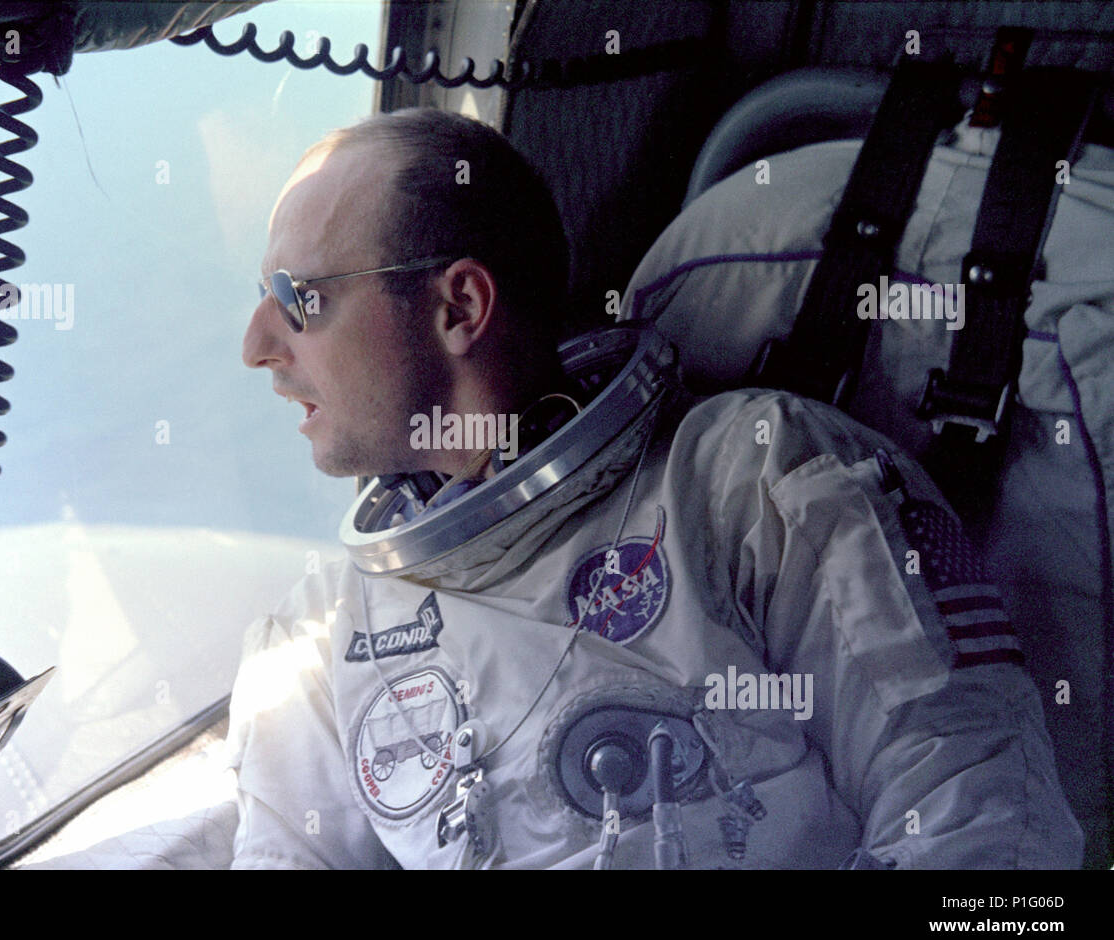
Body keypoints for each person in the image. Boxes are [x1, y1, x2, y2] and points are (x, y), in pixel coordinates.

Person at [230, 106, 1083, 869]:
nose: (256, 344)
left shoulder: (757, 480)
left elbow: (983, 824)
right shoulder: (328, 625)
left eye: (298, 301)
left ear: (460, 307)